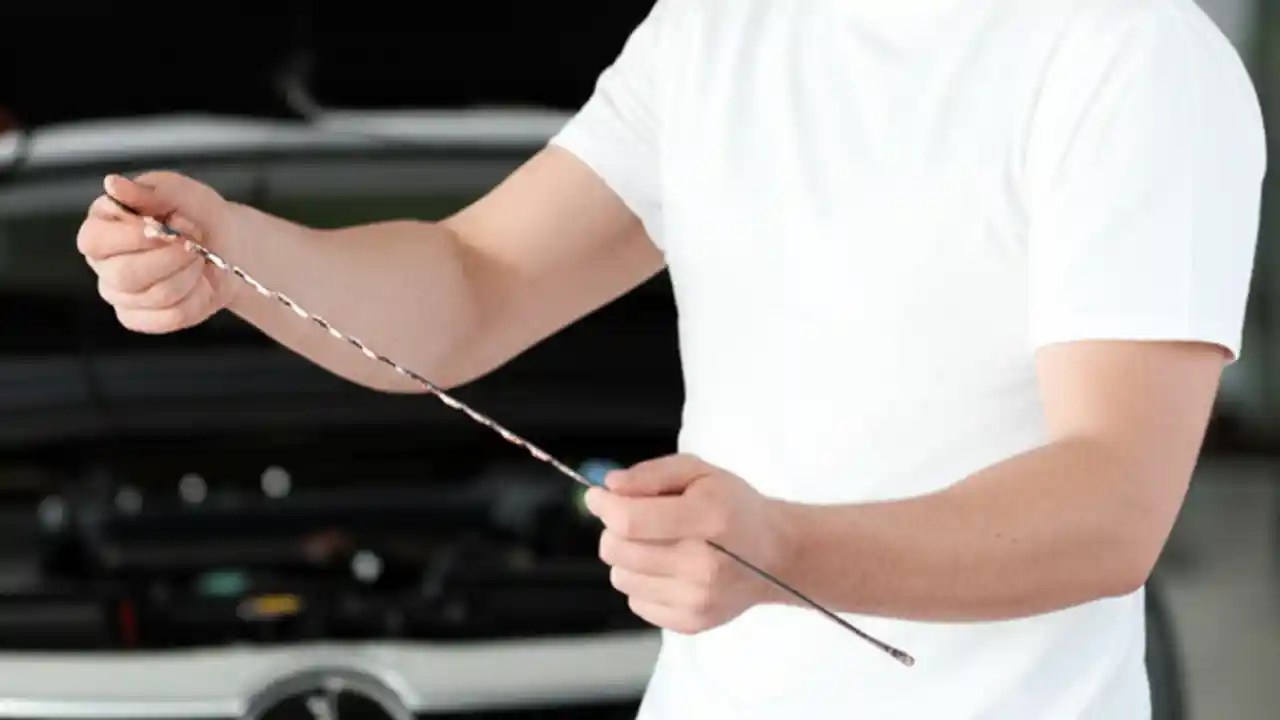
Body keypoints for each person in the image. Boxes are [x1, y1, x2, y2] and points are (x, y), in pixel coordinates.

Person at [76, 0, 1265, 717]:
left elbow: (1111, 503)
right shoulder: (717, 30)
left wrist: (784, 550)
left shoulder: (1128, 56)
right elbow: (471, 284)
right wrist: (235, 255)